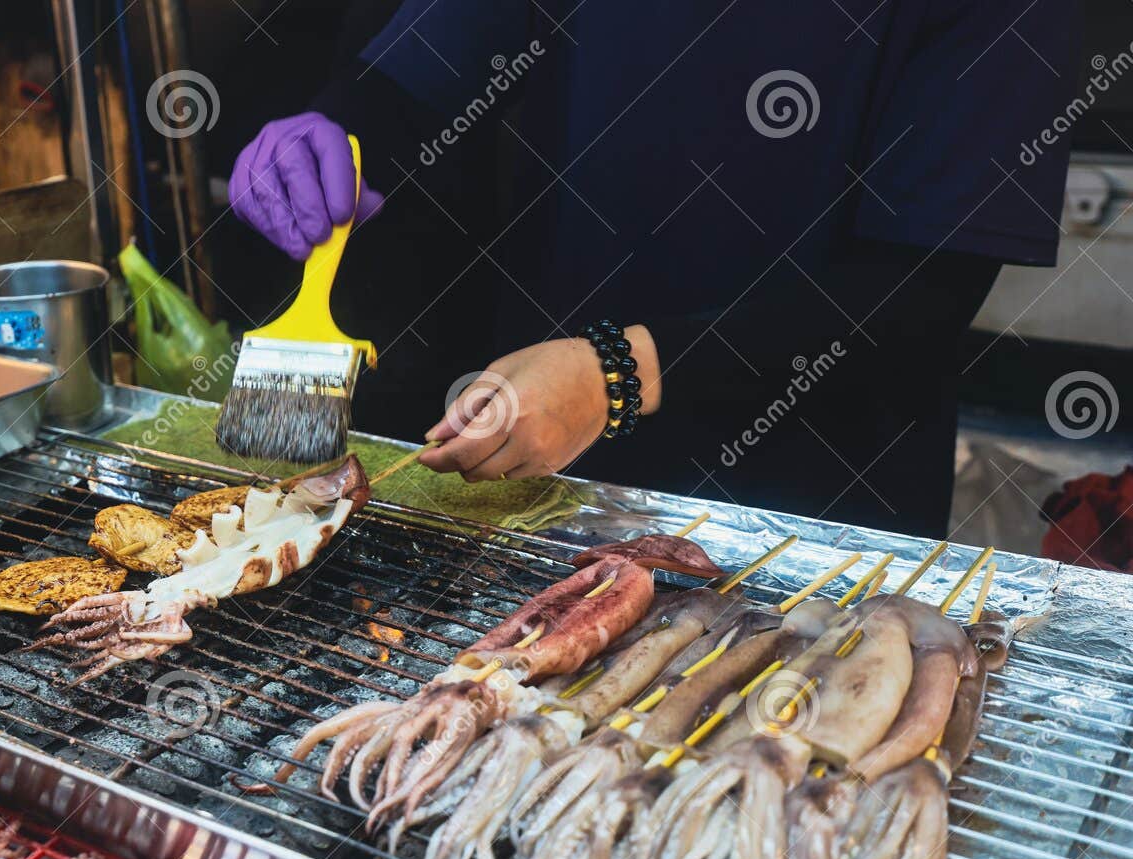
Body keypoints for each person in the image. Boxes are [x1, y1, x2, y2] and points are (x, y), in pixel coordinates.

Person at [227, 1, 1081, 537]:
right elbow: (431, 59)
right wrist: (332, 134)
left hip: (812, 517)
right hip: (540, 482)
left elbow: (918, 293)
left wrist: (615, 374)